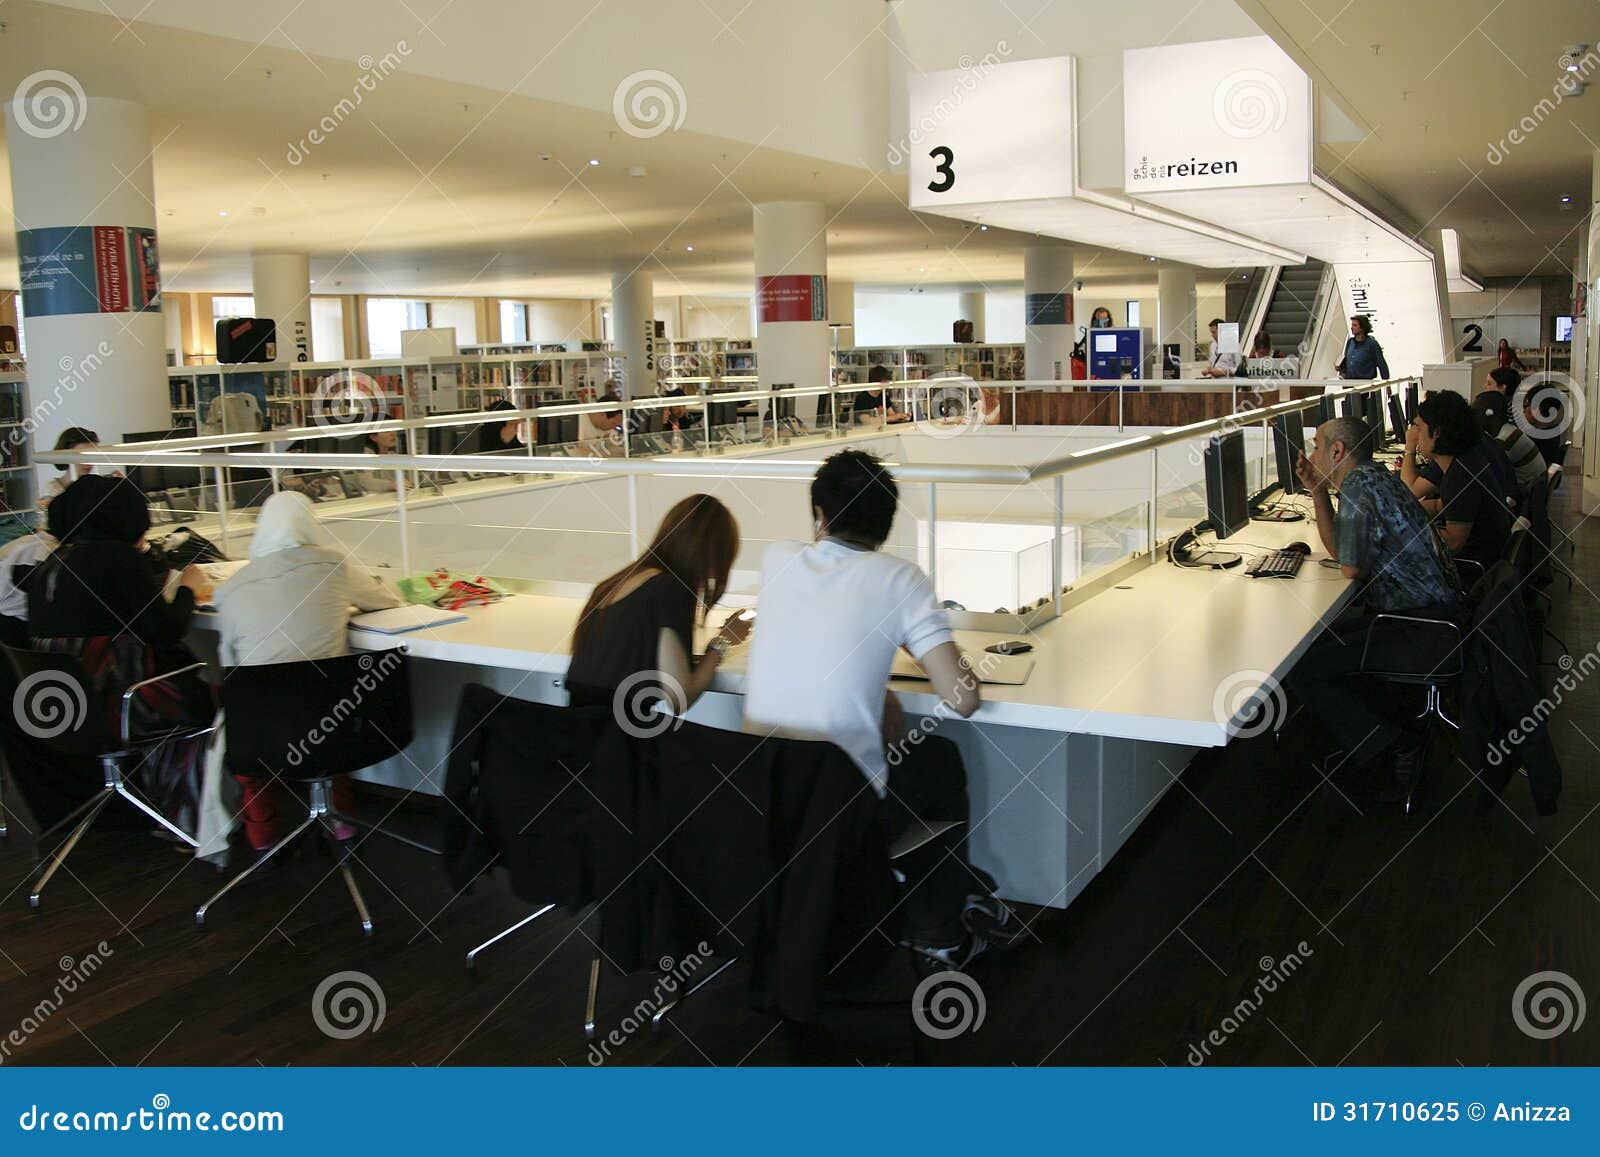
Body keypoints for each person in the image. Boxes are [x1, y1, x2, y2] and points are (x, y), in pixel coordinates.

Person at [740, 449, 1021, 963]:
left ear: (819, 517)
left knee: (920, 760)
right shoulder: (901, 579)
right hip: (844, 810)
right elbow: (961, 700)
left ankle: (940, 896)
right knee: (941, 759)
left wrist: (877, 685)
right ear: (886, 525)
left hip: (763, 798)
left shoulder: (776, 559)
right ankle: (937, 929)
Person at [213, 491, 402, 856]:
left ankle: (263, 838)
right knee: (328, 710)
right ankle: (341, 824)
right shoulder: (333, 566)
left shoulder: (231, 589)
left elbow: (227, 666)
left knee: (249, 728)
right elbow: (385, 601)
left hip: (260, 732)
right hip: (332, 725)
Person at [26, 475, 214, 837]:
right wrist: (188, 589)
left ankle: (164, 810)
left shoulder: (51, 564)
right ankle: (184, 817)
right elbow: (164, 630)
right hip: (116, 707)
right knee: (199, 696)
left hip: (59, 711)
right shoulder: (117, 556)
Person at [1287, 416, 1459, 801]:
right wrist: (1317, 491)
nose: (1311, 453)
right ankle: (1379, 732)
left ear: (1337, 451)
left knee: (1303, 668)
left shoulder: (1358, 489)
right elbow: (1345, 554)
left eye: (1316, 446)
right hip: (1429, 614)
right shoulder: (1373, 477)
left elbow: (1349, 567)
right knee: (1318, 644)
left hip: (1421, 627)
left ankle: (1391, 745)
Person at [566, 494, 749, 715]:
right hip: (618, 740)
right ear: (712, 555)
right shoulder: (671, 590)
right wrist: (723, 642)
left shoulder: (612, 584)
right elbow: (680, 697)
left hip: (575, 732)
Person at [1401, 390, 1513, 572]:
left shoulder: (1460, 476)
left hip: (1473, 572)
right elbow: (1443, 505)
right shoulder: (1466, 459)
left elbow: (1453, 543)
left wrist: (1407, 528)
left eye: (1419, 428)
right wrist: (1407, 512)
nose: (1415, 435)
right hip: (1490, 562)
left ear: (1436, 433)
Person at [1472, 387, 1544, 493]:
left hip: (1524, 493)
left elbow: (1487, 473)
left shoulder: (1504, 441)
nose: (1473, 417)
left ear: (1489, 413)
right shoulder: (1509, 430)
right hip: (1532, 488)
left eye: (1476, 411)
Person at [37, 426, 101, 511]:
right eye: (81, 455)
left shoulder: (97, 486)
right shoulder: (52, 492)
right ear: (65, 456)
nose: (88, 462)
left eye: (92, 455)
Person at [1336, 314, 1390, 380]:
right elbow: (1347, 362)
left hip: (1365, 384)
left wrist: (1387, 384)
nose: (1352, 328)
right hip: (1349, 382)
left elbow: (1381, 364)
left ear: (1362, 328)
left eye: (1355, 325)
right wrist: (1340, 367)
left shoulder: (1372, 344)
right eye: (1352, 325)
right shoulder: (1350, 342)